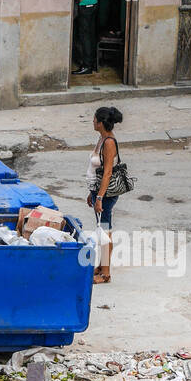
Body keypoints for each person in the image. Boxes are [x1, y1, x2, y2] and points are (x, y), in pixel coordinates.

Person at [86, 105, 123, 283]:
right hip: (97, 192)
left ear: (101, 123)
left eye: (94, 119)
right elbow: (96, 169)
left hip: (105, 195)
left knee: (105, 231)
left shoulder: (109, 143)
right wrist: (91, 193)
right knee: (102, 229)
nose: (92, 121)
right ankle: (102, 265)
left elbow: (107, 172)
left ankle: (105, 274)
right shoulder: (101, 139)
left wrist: (99, 197)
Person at [74, 0, 108, 75]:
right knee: (91, 33)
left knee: (84, 35)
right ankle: (92, 63)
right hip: (94, 2)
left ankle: (86, 65)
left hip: (85, 4)